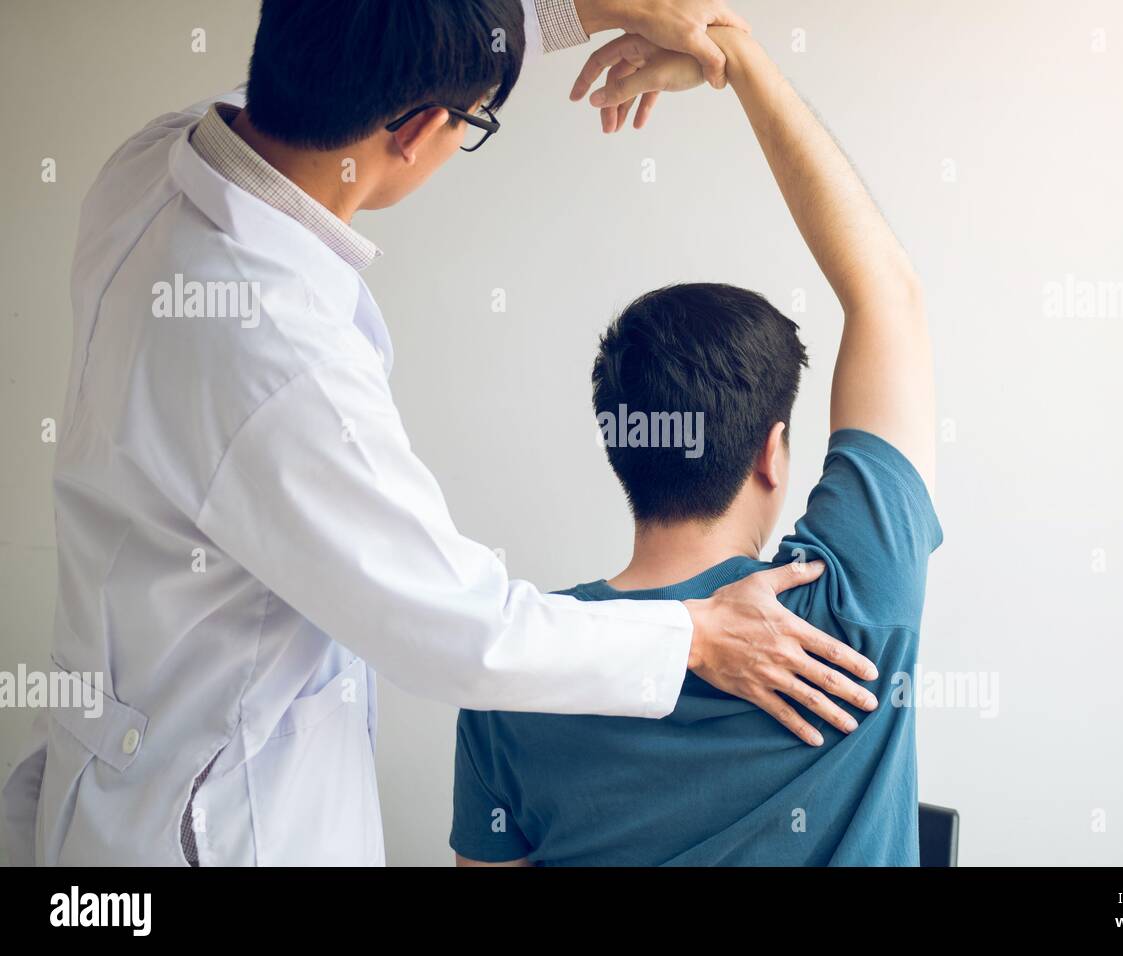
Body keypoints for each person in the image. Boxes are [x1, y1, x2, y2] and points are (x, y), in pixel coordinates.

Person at [1, 0, 879, 867]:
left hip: (114, 778)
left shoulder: (150, 165)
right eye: (473, 120)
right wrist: (693, 635)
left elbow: (359, 42)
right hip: (212, 828)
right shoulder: (280, 361)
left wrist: (569, 14)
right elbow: (466, 630)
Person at [451, 24, 940, 866]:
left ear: (621, 444)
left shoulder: (519, 674)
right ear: (771, 454)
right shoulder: (849, 602)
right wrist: (734, 57)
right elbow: (885, 292)